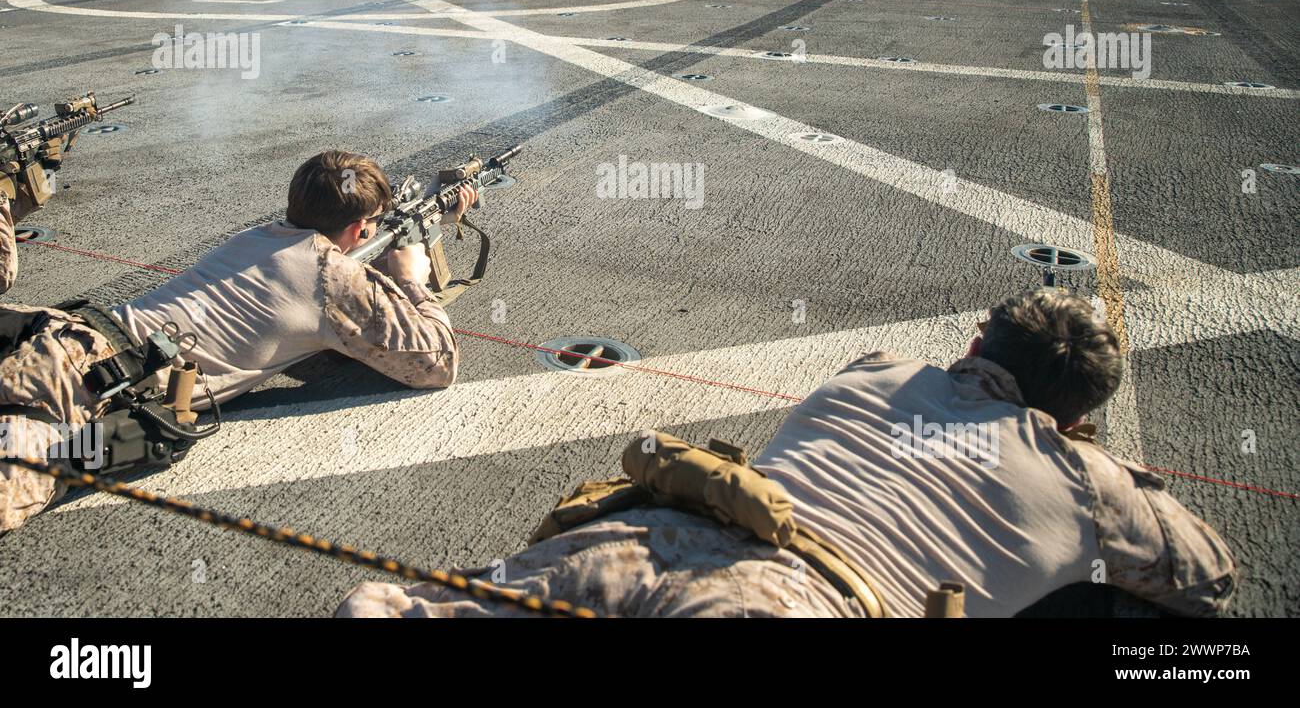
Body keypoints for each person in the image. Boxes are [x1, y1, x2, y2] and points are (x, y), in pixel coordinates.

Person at [337, 288, 1236, 618]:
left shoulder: (882, 368)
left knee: (389, 607)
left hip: (645, 534)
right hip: (802, 600)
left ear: (971, 346)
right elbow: (1209, 576)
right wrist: (1101, 479)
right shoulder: (1088, 480)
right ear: (1075, 416)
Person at [0, 150, 475, 533]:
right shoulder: (334, 278)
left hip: (60, 338)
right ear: (358, 230)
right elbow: (437, 362)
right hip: (85, 393)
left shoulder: (257, 237)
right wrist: (411, 276)